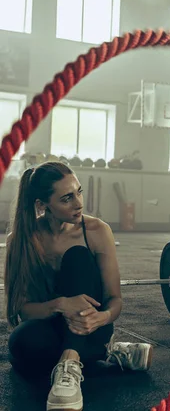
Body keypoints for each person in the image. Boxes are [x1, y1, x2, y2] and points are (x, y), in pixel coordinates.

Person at [4, 161, 153, 411]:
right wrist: (61, 304)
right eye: (67, 198)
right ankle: (107, 353)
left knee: (78, 258)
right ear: (42, 205)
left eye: (79, 192)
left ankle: (71, 363)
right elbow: (23, 310)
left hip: (92, 325)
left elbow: (114, 300)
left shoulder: (96, 231)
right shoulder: (22, 240)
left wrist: (102, 317)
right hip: (51, 329)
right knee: (21, 344)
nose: (79, 203)